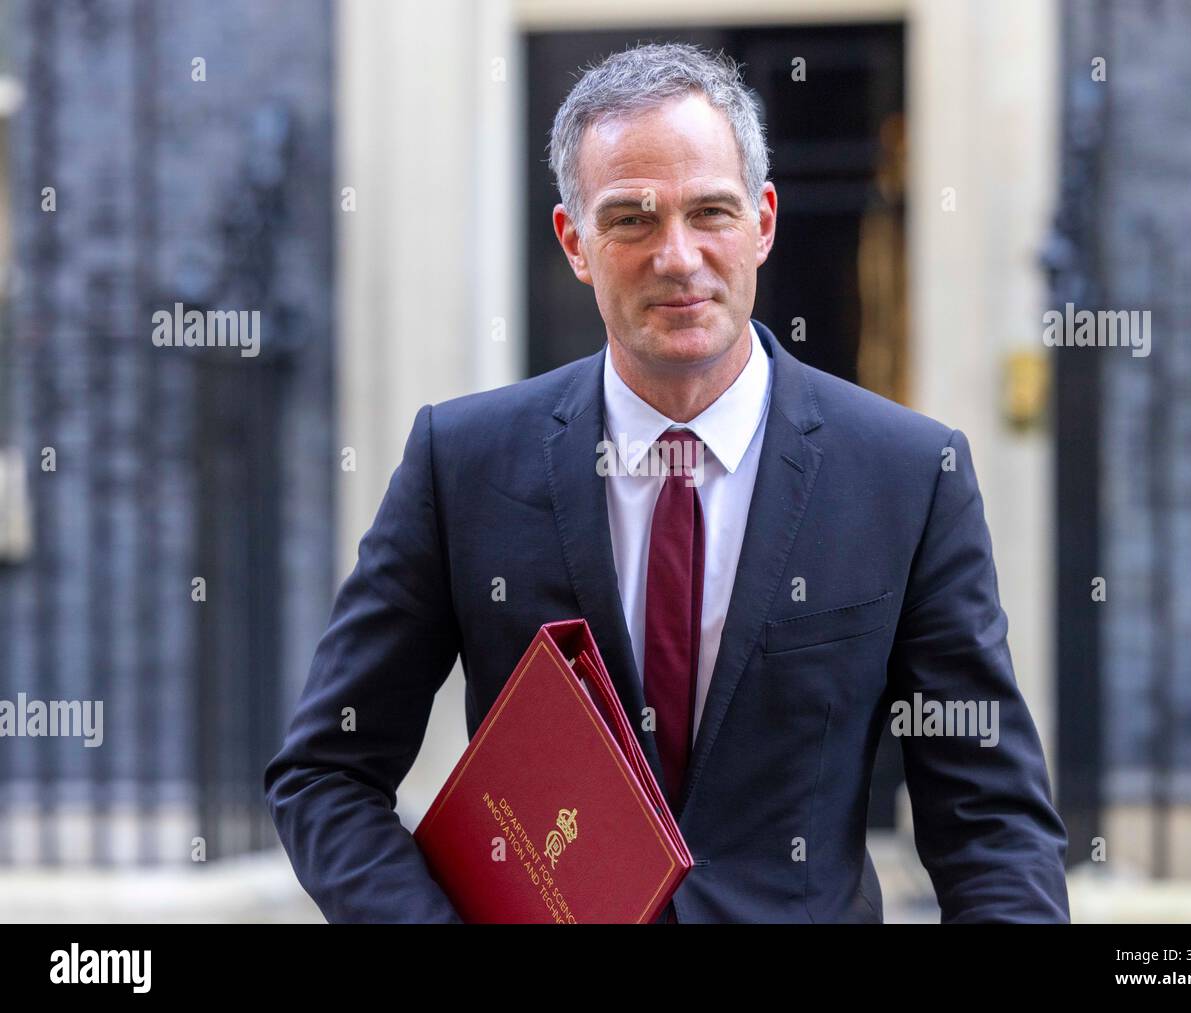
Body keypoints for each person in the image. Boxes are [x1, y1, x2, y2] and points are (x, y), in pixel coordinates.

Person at [264, 41, 1070, 924]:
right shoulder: (462, 463)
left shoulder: (908, 477)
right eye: (631, 220)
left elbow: (991, 824)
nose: (677, 256)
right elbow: (326, 772)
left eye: (711, 212)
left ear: (763, 221)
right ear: (575, 241)